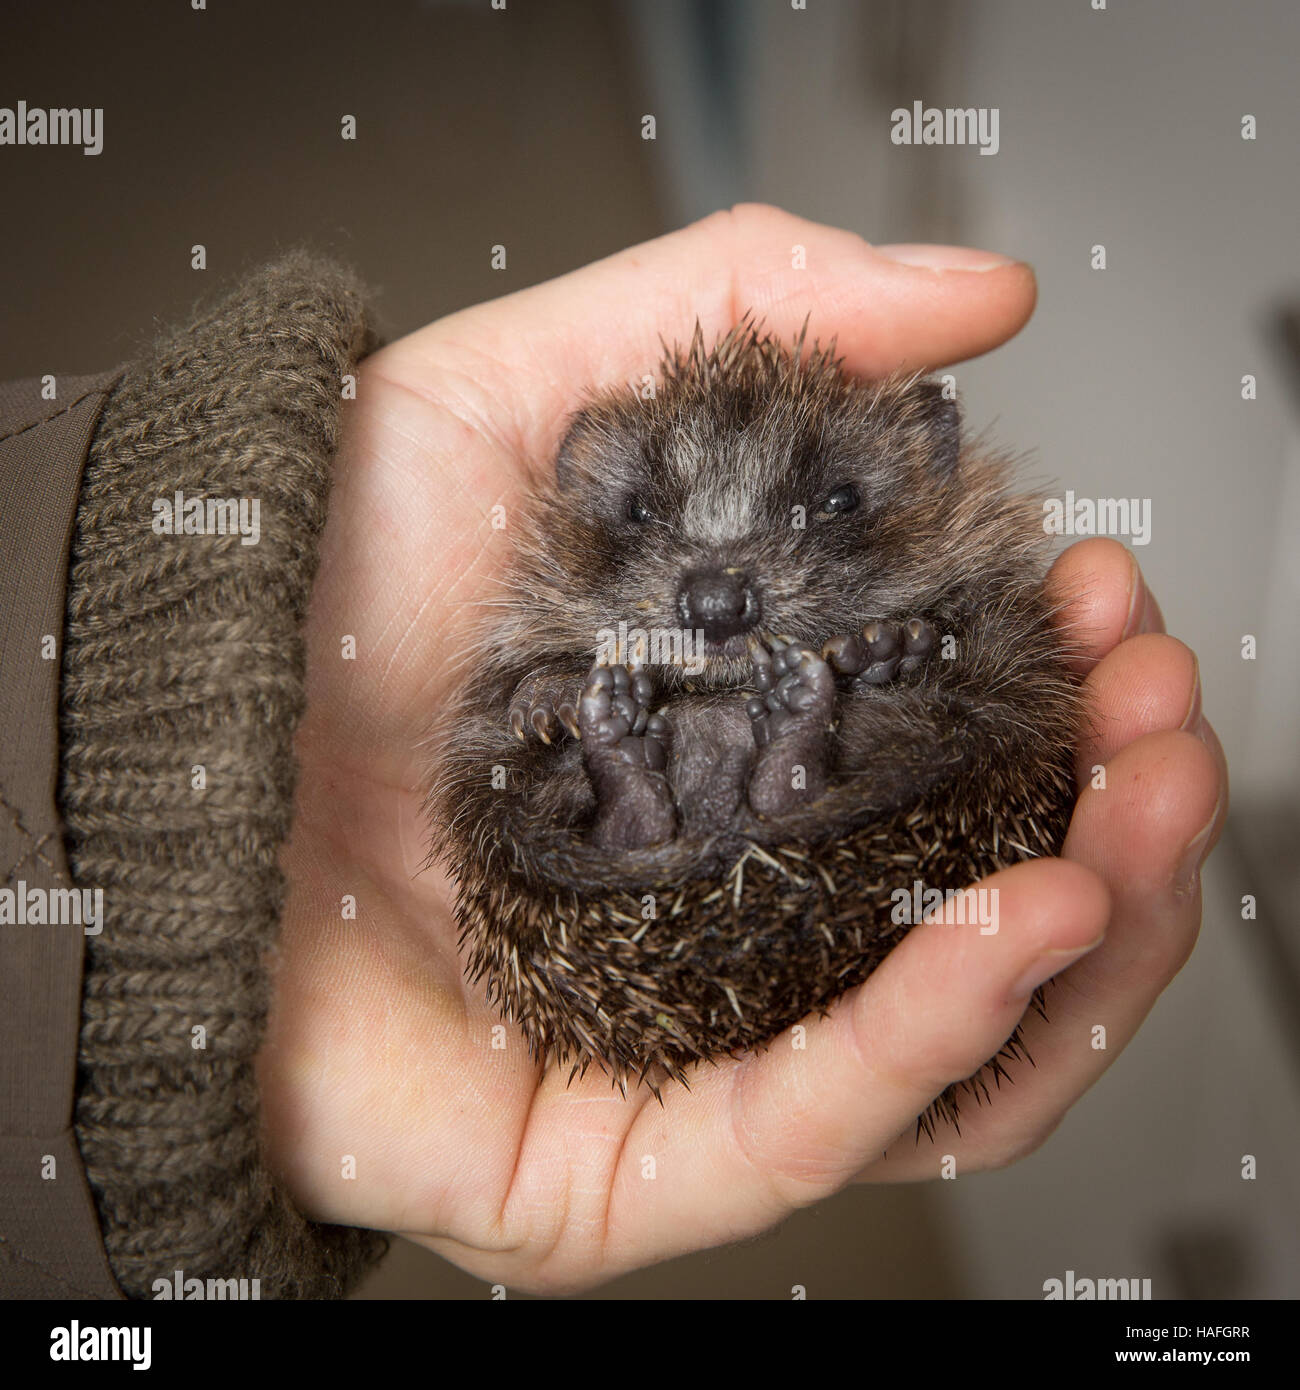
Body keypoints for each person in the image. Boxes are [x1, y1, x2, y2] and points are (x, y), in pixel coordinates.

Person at [0, 205, 1226, 1299]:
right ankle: (769, 767)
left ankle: (684, 787)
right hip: (755, 800)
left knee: (985, 711)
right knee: (530, 754)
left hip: (772, 811)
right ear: (587, 491)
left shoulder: (930, 592)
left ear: (929, 469)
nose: (719, 585)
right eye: (648, 518)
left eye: (834, 507)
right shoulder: (561, 624)